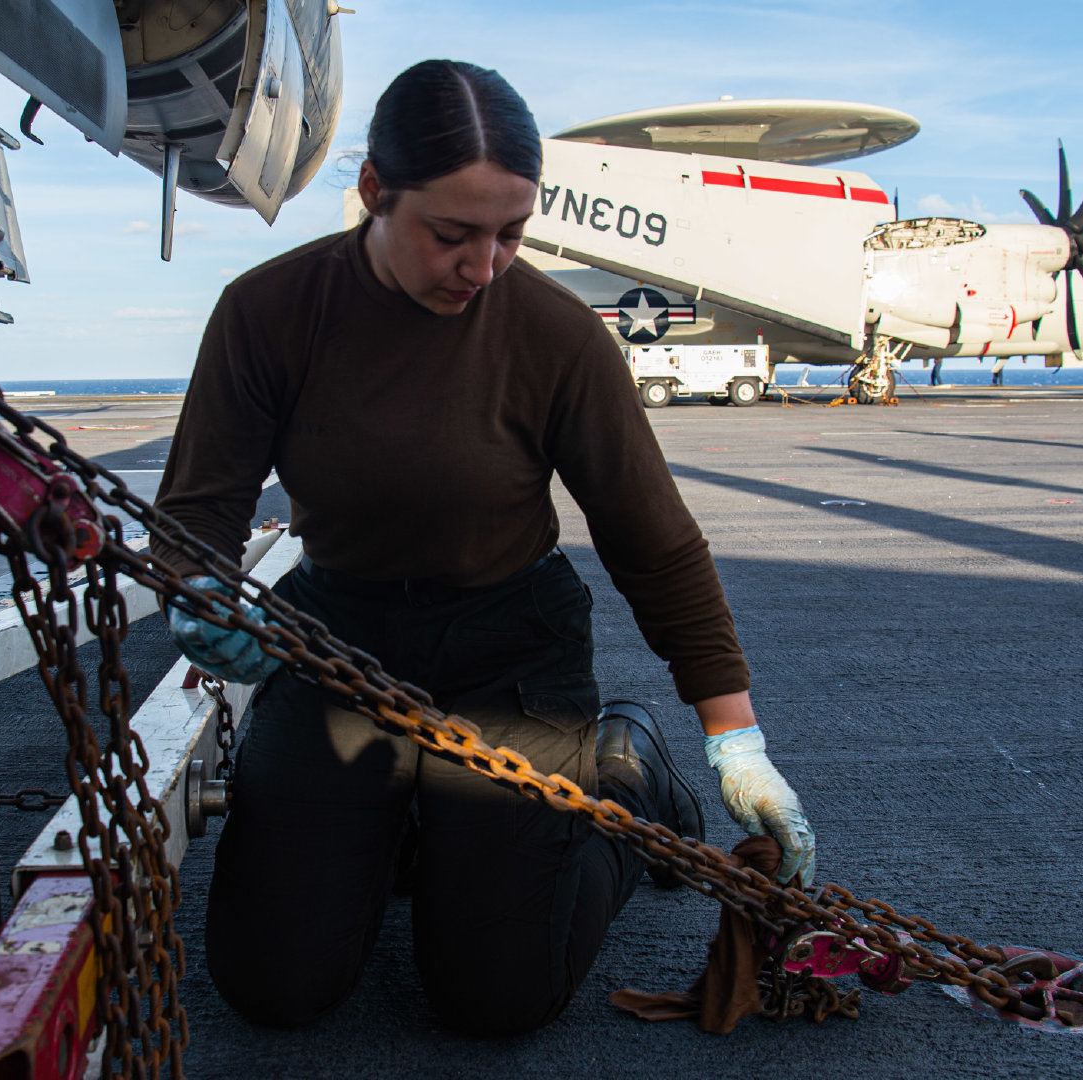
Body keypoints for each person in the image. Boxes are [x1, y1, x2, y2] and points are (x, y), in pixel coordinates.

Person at [152, 59, 815, 1036]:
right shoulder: (269, 313)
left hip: (511, 652)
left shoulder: (554, 336)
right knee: (273, 985)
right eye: (452, 233)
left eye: (511, 233)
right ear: (374, 193)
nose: (485, 265)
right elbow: (196, 513)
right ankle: (418, 834)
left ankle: (626, 777)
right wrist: (201, 599)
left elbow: (652, 541)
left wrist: (735, 735)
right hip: (339, 645)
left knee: (495, 1000)